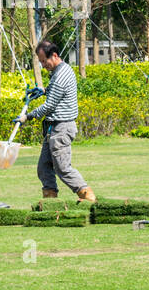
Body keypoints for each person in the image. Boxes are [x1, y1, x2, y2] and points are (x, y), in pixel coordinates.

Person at [17, 40, 97, 203]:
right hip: (53, 128)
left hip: (62, 128)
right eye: (40, 62)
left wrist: (28, 116)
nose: (43, 65)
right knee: (44, 167)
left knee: (62, 167)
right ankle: (50, 200)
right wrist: (44, 90)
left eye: (44, 61)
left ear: (54, 55)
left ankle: (87, 196)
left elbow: (50, 105)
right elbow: (56, 94)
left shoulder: (61, 74)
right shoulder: (59, 72)